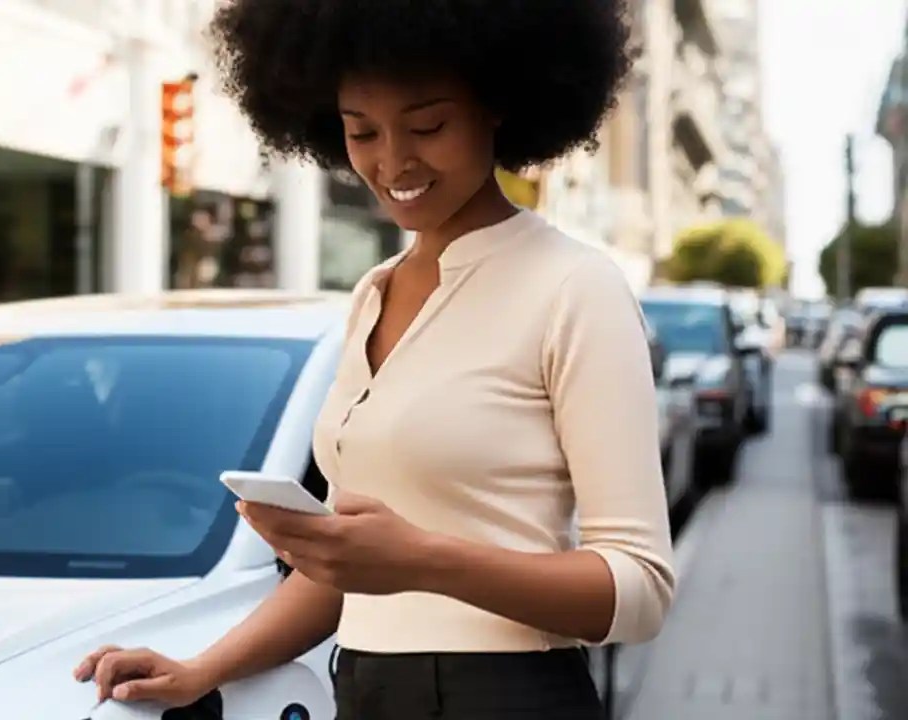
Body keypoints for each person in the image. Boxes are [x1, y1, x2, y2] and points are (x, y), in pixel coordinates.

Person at [73, 0, 675, 716]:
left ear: (500, 106)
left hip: (507, 697)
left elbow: (638, 590)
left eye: (428, 126)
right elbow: (348, 574)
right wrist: (201, 670)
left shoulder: (576, 286)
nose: (393, 162)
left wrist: (422, 560)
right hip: (363, 691)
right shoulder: (373, 293)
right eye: (361, 131)